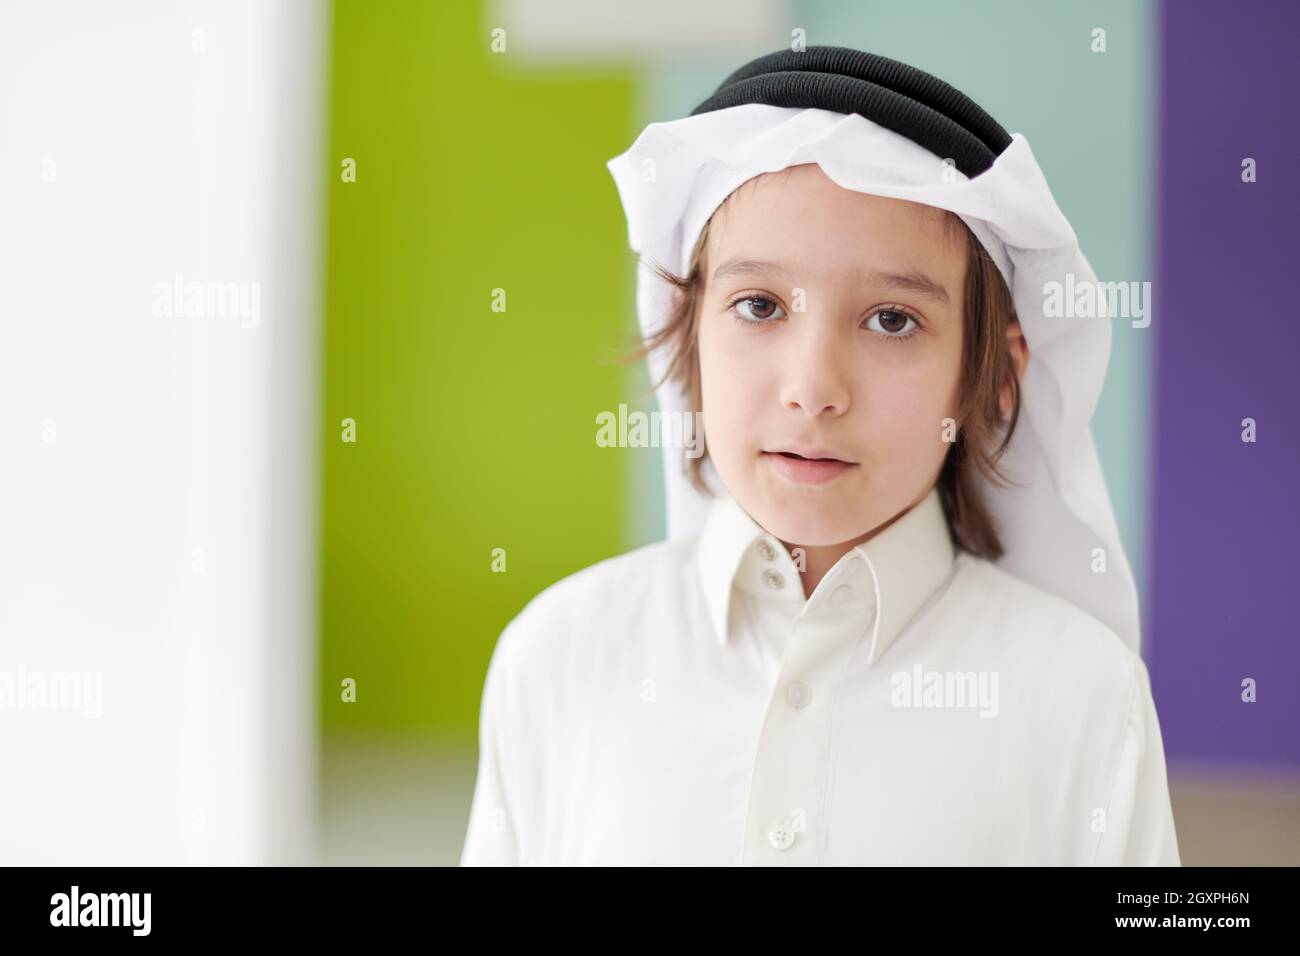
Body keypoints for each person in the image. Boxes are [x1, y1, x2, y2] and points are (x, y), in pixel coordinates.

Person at [460, 47, 1180, 866]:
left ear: (995, 379)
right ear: (686, 339)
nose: (814, 389)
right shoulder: (556, 659)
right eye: (759, 305)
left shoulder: (1086, 699)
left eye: (892, 320)